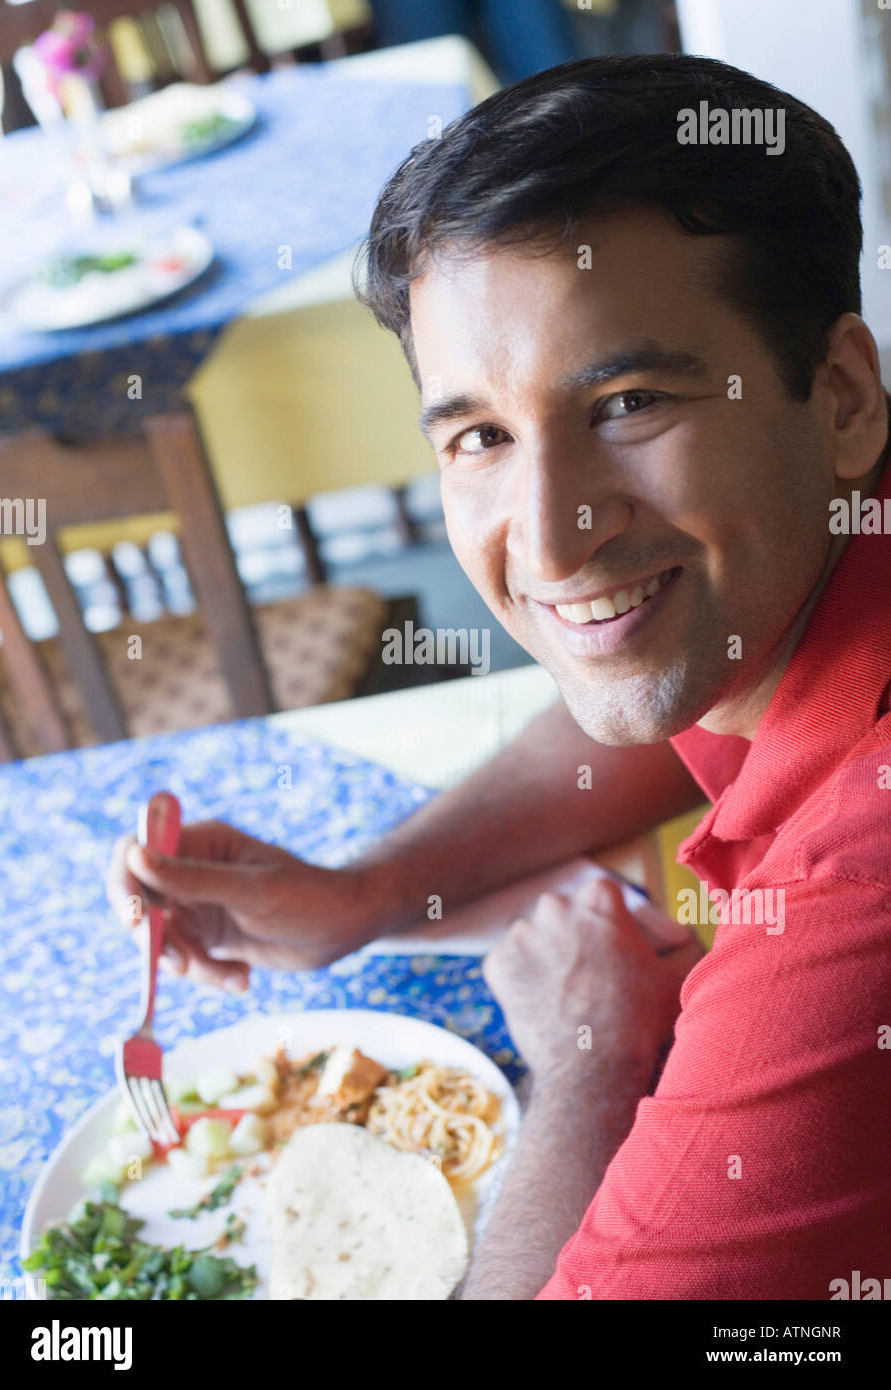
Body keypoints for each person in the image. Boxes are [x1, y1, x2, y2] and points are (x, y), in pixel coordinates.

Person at [109, 55, 891, 1300]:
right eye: (479, 436)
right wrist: (375, 887)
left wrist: (586, 1054)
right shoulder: (808, 558)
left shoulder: (847, 916)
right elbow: (635, 691)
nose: (549, 538)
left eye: (629, 403)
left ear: (841, 398)